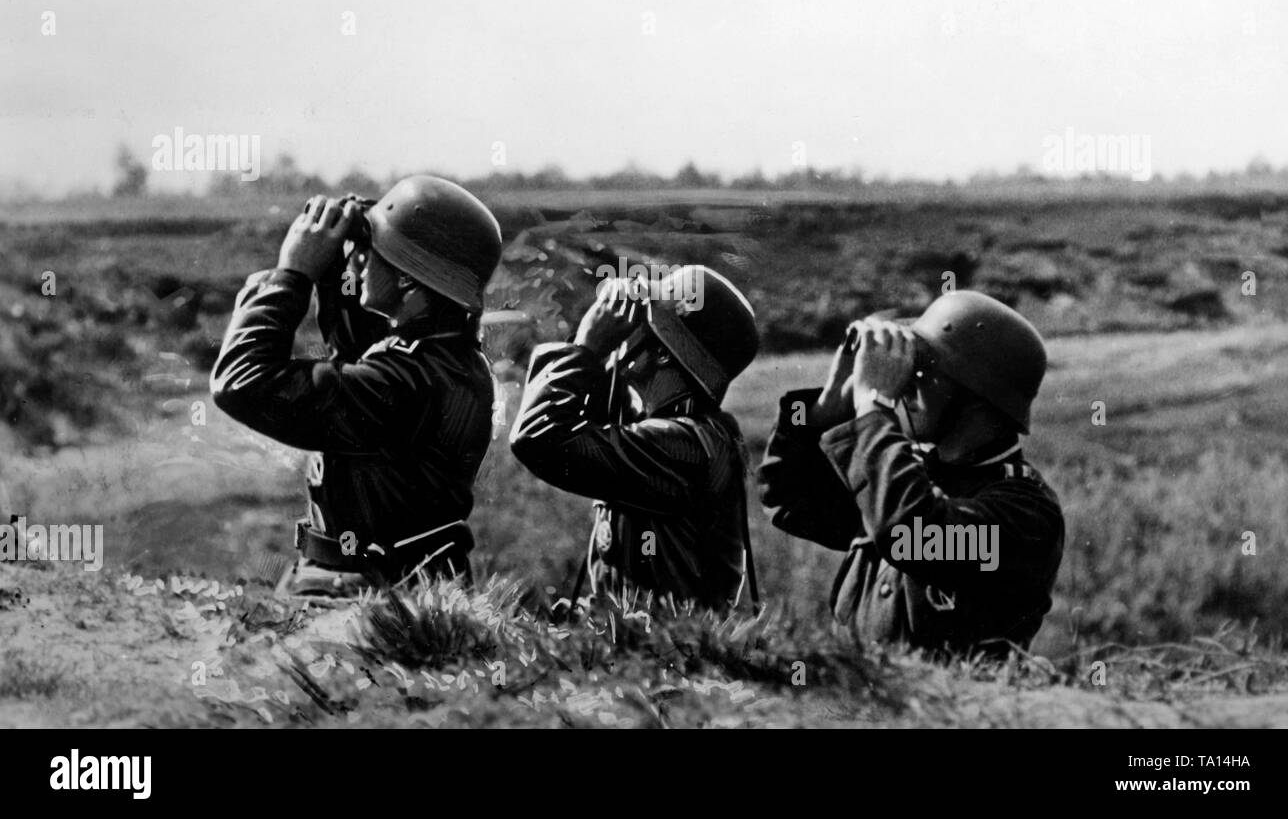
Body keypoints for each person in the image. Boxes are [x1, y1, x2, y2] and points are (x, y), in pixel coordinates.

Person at [210, 175, 502, 596]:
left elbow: (244, 381)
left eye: (371, 255)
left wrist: (291, 275)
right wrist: (333, 278)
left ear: (406, 280)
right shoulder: (445, 360)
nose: (359, 264)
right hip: (400, 582)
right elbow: (357, 357)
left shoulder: (401, 382)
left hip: (377, 600)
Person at [757, 290, 1064, 659]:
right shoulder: (907, 472)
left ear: (976, 395)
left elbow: (910, 535)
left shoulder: (1027, 515)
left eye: (923, 369)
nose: (906, 383)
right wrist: (827, 409)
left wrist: (874, 407)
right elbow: (787, 497)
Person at [510, 266, 760, 612]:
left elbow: (539, 439)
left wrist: (587, 348)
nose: (625, 333)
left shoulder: (685, 447)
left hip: (673, 659)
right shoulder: (673, 434)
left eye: (640, 323)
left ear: (659, 352)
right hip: (644, 648)